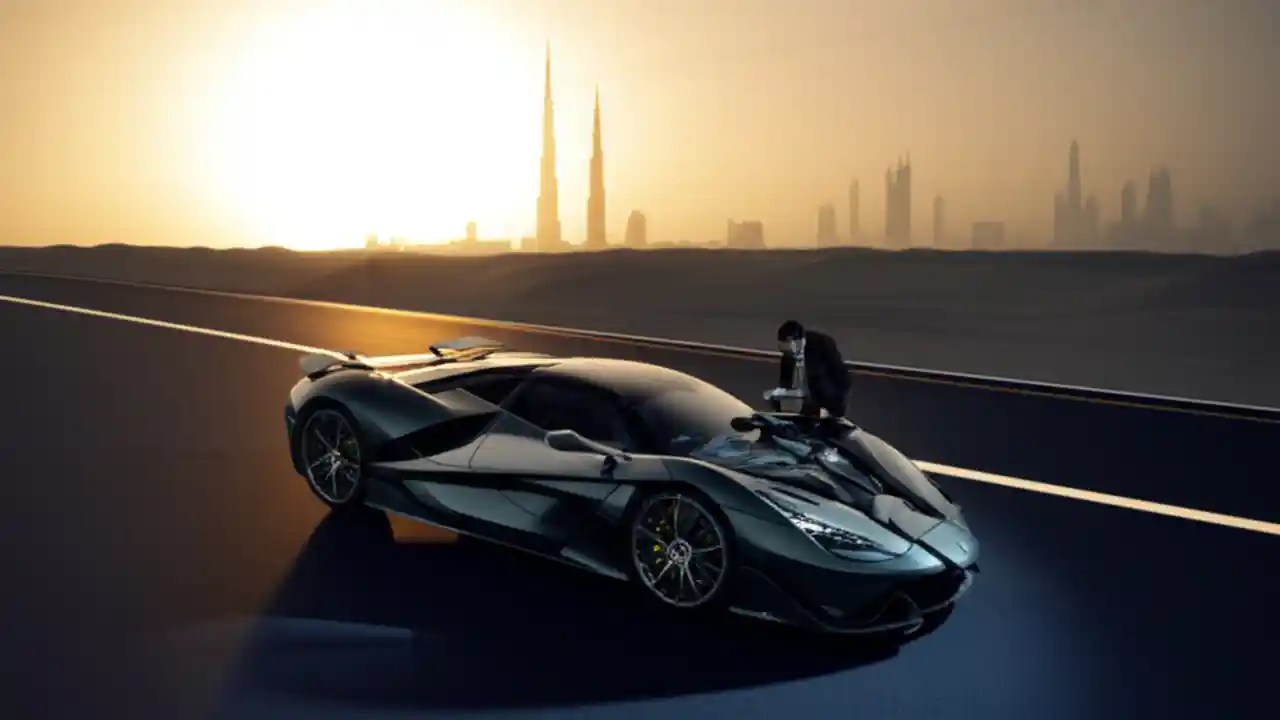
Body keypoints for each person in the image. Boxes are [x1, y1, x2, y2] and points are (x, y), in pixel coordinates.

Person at [772, 319, 852, 418]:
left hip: (825, 404)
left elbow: (842, 378)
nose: (788, 356)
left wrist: (834, 411)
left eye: (789, 352)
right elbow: (785, 382)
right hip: (803, 406)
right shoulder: (788, 355)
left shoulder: (822, 345)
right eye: (784, 352)